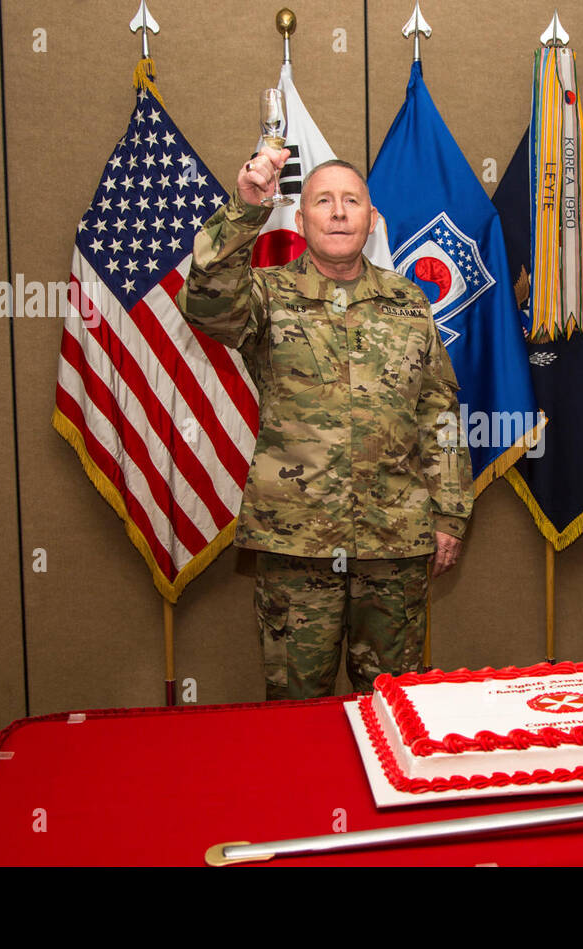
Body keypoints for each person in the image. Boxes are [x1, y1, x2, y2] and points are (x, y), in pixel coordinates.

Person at [176, 145, 472, 699]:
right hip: (297, 543)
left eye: (351, 201)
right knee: (295, 707)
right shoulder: (265, 294)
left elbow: (439, 413)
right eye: (323, 201)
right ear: (302, 217)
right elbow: (207, 301)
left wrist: (451, 514)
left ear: (370, 217)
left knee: (392, 706)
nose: (338, 213)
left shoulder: (408, 301)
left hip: (394, 543)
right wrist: (244, 208)